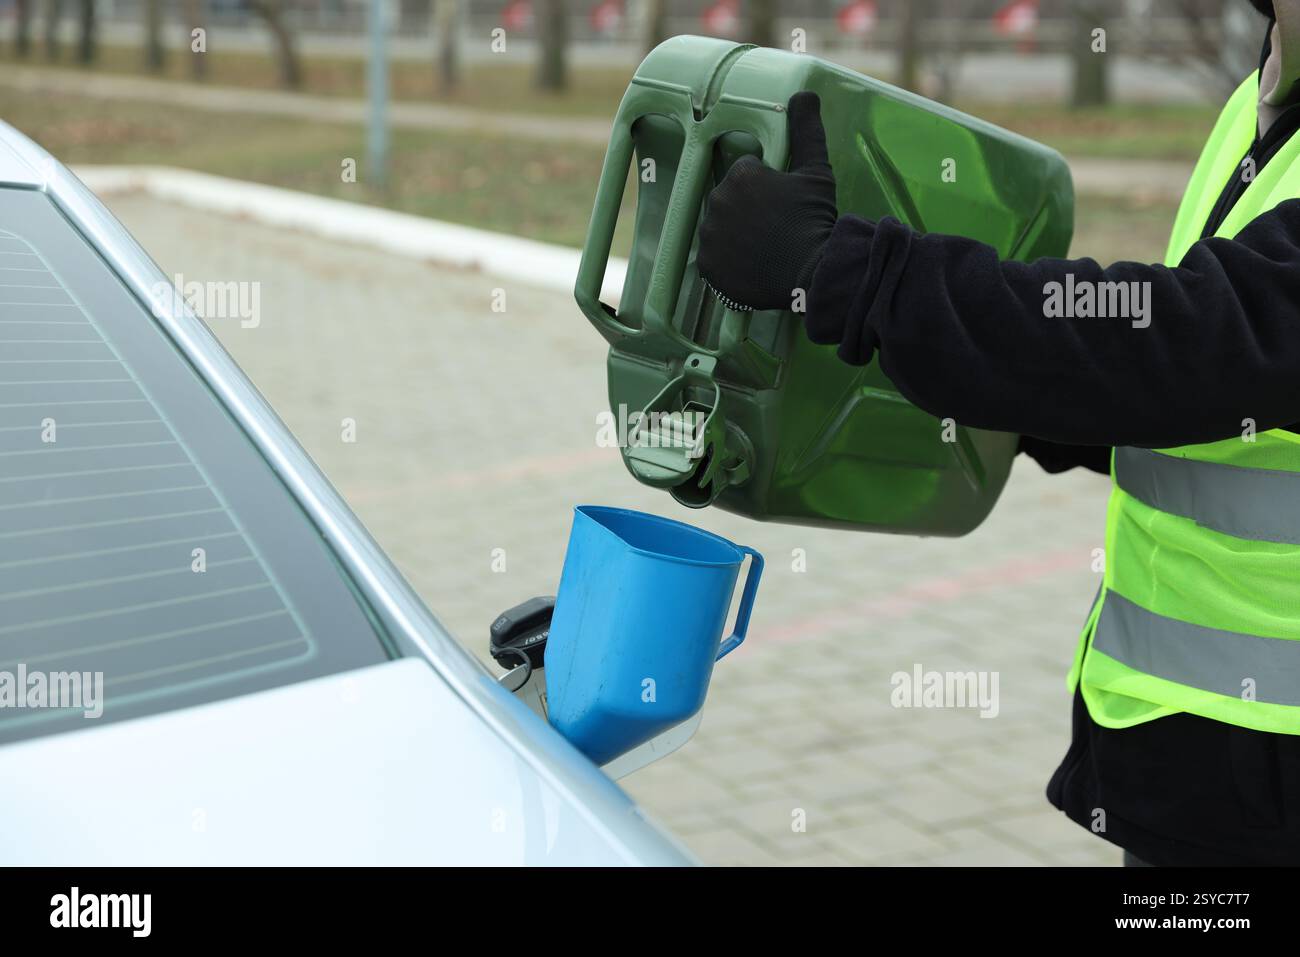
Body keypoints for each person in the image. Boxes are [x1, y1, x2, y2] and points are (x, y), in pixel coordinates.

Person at [697, 0, 1300, 866]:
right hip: (1207, 767)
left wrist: (849, 276)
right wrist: (1028, 396)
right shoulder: (1267, 98)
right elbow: (1230, 389)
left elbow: (1186, 336)